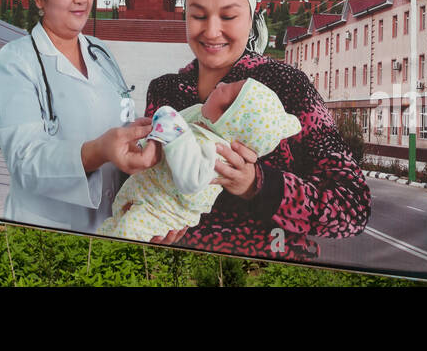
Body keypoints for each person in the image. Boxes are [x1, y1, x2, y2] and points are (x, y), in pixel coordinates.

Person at [145, 0, 371, 259]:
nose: (211, 31)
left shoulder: (287, 85)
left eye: (228, 16)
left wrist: (258, 185)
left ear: (252, 17)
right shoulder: (165, 90)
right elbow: (144, 175)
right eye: (198, 15)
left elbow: (352, 207)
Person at [0, 0, 161, 233]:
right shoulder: (16, 61)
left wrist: (142, 134)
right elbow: (25, 161)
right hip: (44, 232)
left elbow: (121, 120)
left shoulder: (100, 52)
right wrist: (99, 150)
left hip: (112, 228)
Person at [99, 77, 301, 242]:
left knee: (124, 236)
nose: (219, 84)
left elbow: (191, 180)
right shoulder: (199, 115)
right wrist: (145, 140)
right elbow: (161, 134)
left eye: (225, 89)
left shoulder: (216, 152)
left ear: (226, 117)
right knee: (110, 228)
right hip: (142, 191)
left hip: (162, 211)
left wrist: (170, 125)